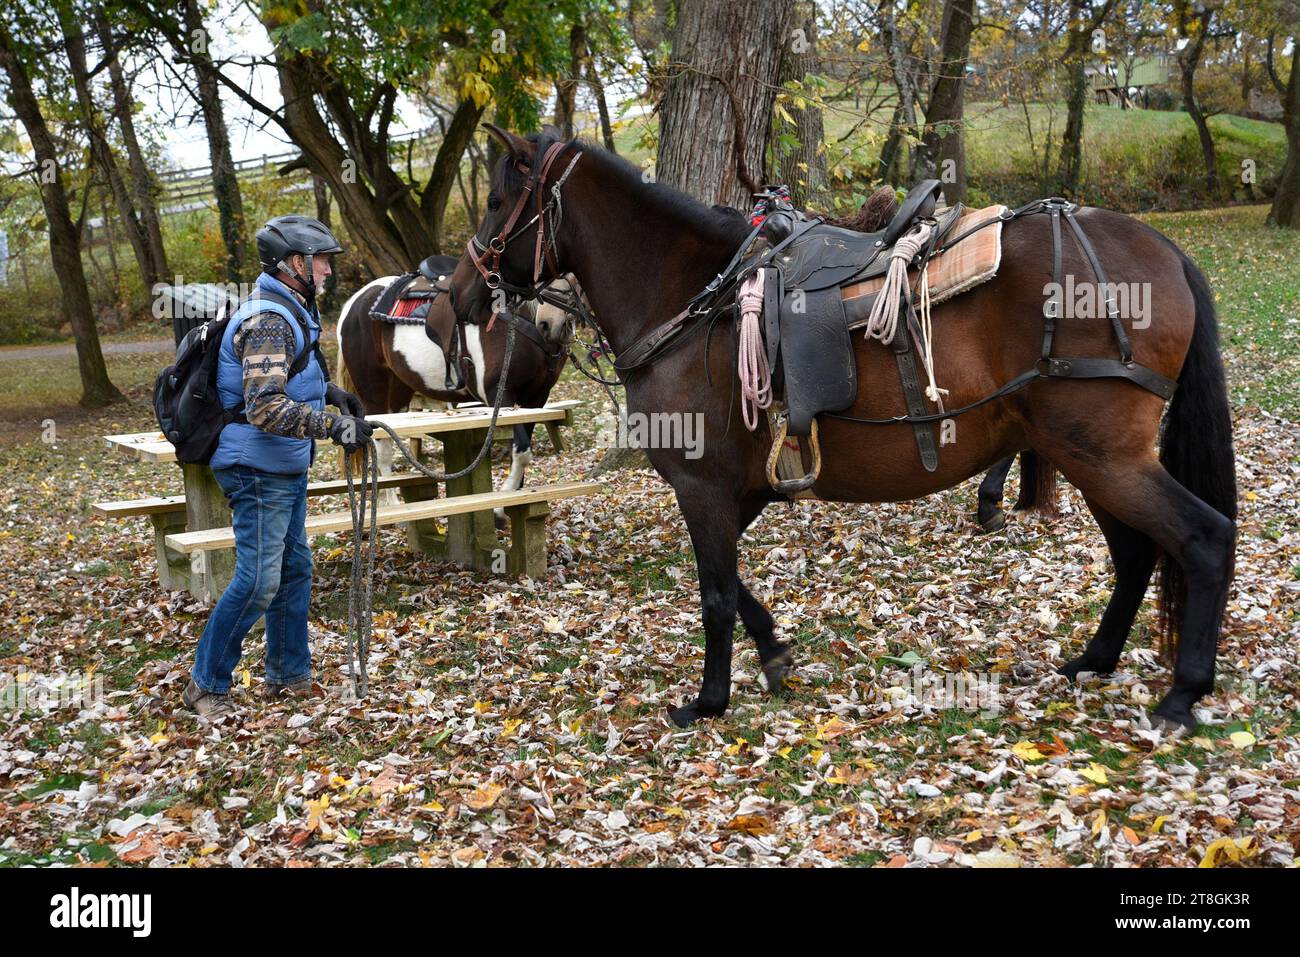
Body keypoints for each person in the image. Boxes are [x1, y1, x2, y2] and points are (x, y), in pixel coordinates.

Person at [181, 215, 372, 719]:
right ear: (295, 264)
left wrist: (331, 394)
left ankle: (288, 674)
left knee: (294, 567)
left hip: (281, 463)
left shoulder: (291, 309)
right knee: (260, 579)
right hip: (256, 468)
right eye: (323, 262)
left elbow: (288, 376)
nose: (329, 272)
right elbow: (265, 407)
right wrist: (330, 427)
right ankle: (206, 684)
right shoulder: (268, 319)